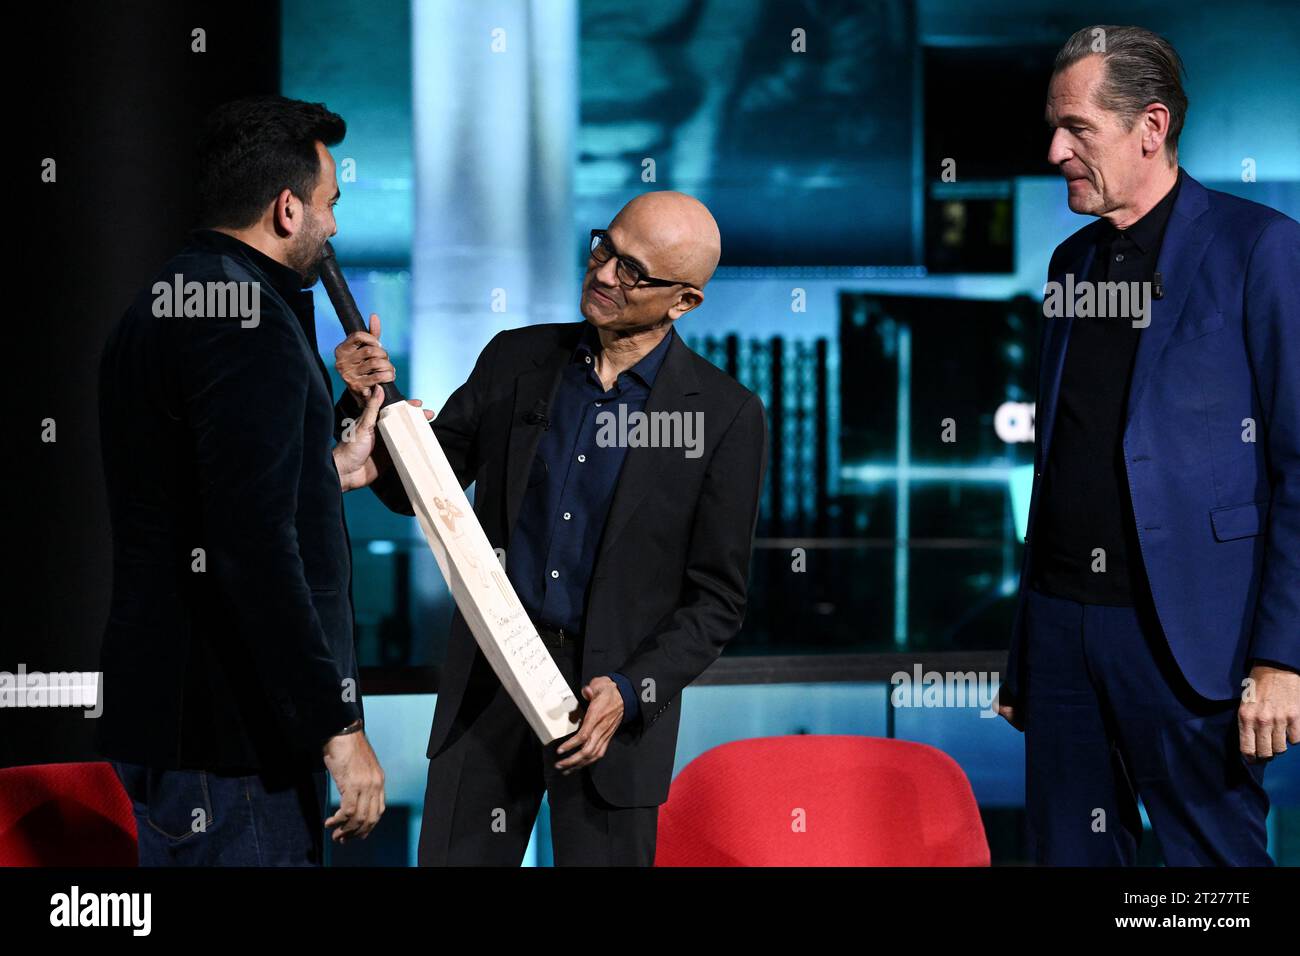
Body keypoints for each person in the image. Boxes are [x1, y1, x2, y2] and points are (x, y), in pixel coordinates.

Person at [334, 191, 767, 865]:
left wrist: (630, 692)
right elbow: (423, 487)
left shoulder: (725, 415)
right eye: (604, 248)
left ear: (683, 302)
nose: (602, 275)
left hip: (610, 709)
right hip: (490, 681)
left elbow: (717, 599)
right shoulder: (516, 359)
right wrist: (362, 410)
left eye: (632, 271)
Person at [998, 26, 1300, 865]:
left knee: (1212, 871)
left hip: (1194, 641)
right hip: (1062, 632)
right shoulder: (1070, 265)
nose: (1056, 149)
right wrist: (1031, 644)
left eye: (1077, 129)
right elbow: (1057, 460)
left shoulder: (1261, 249)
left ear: (1151, 127)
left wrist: (1283, 657)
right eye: (1054, 127)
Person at [98, 96, 395, 865]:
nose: (334, 226)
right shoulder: (246, 318)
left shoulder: (175, 293)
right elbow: (252, 546)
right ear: (288, 208)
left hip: (183, 728)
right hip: (231, 742)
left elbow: (207, 498)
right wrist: (338, 726)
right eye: (330, 205)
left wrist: (327, 470)